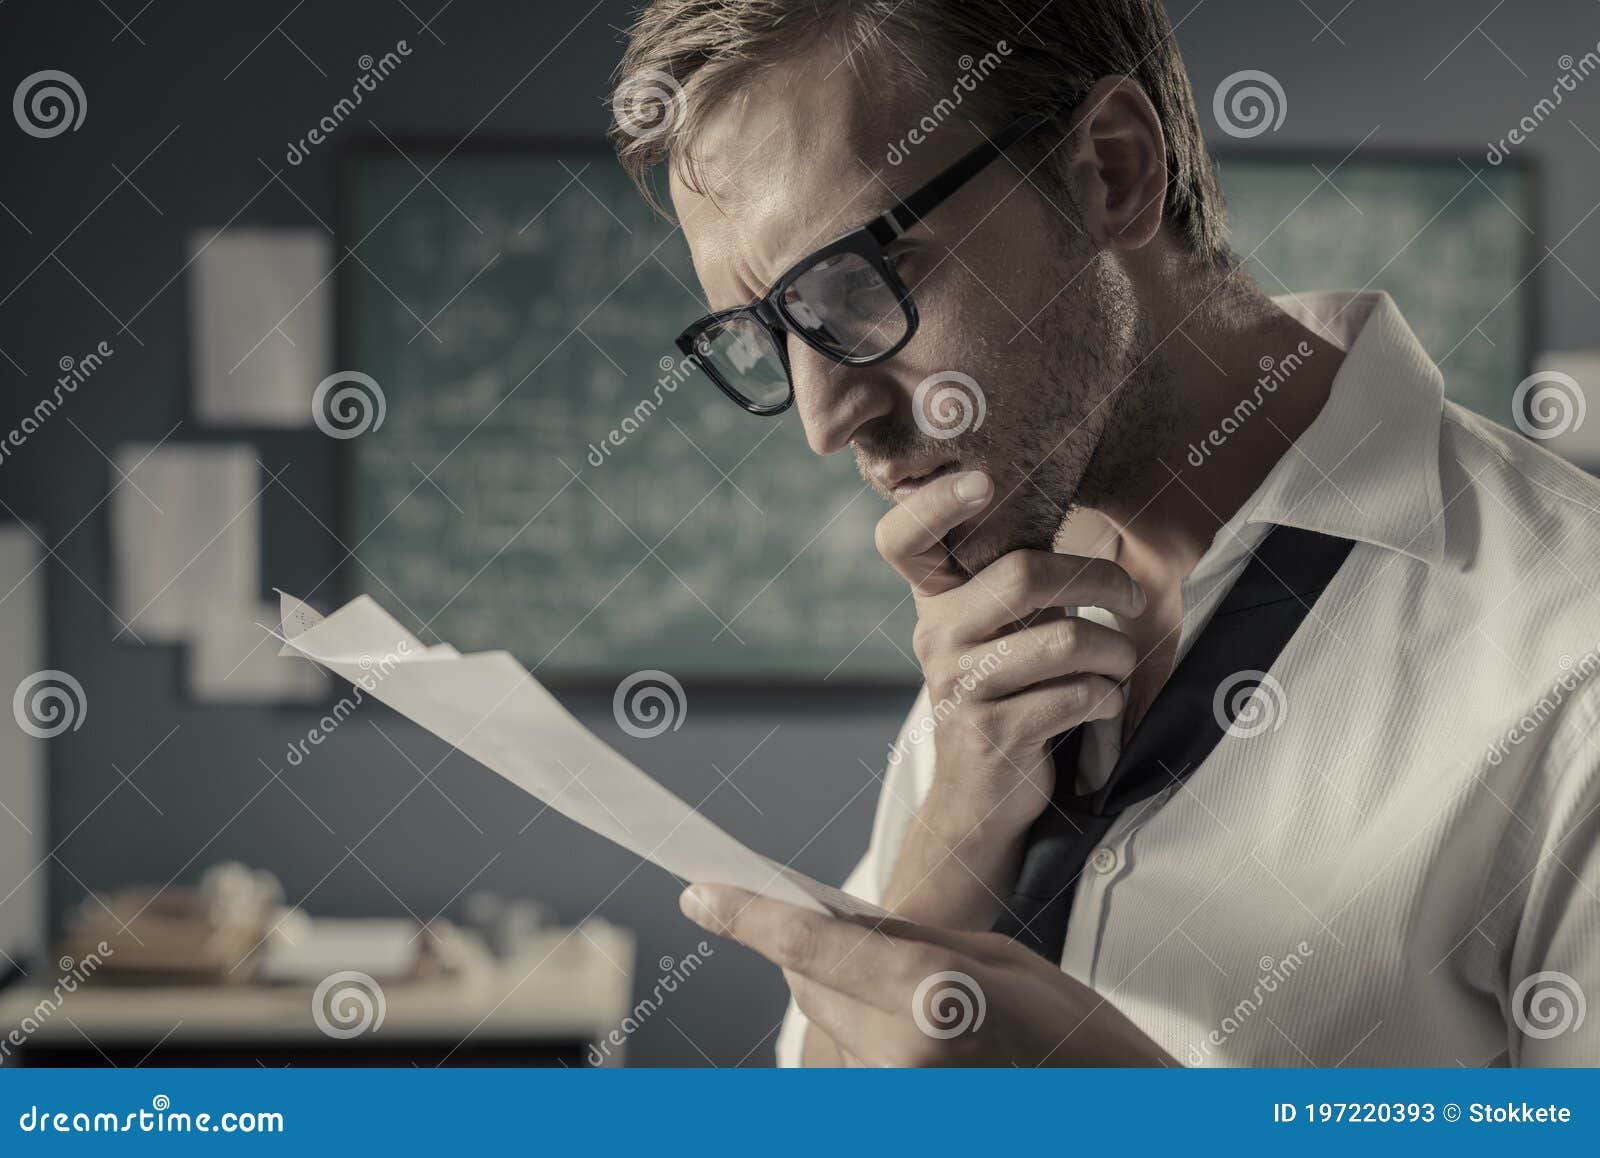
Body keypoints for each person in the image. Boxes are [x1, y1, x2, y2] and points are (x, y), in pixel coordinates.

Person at [609, 0, 1600, 1066]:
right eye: (770, 336)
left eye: (856, 287)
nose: (823, 419)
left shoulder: (1569, 656)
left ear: (1111, 174)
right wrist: (951, 839)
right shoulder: (996, 615)